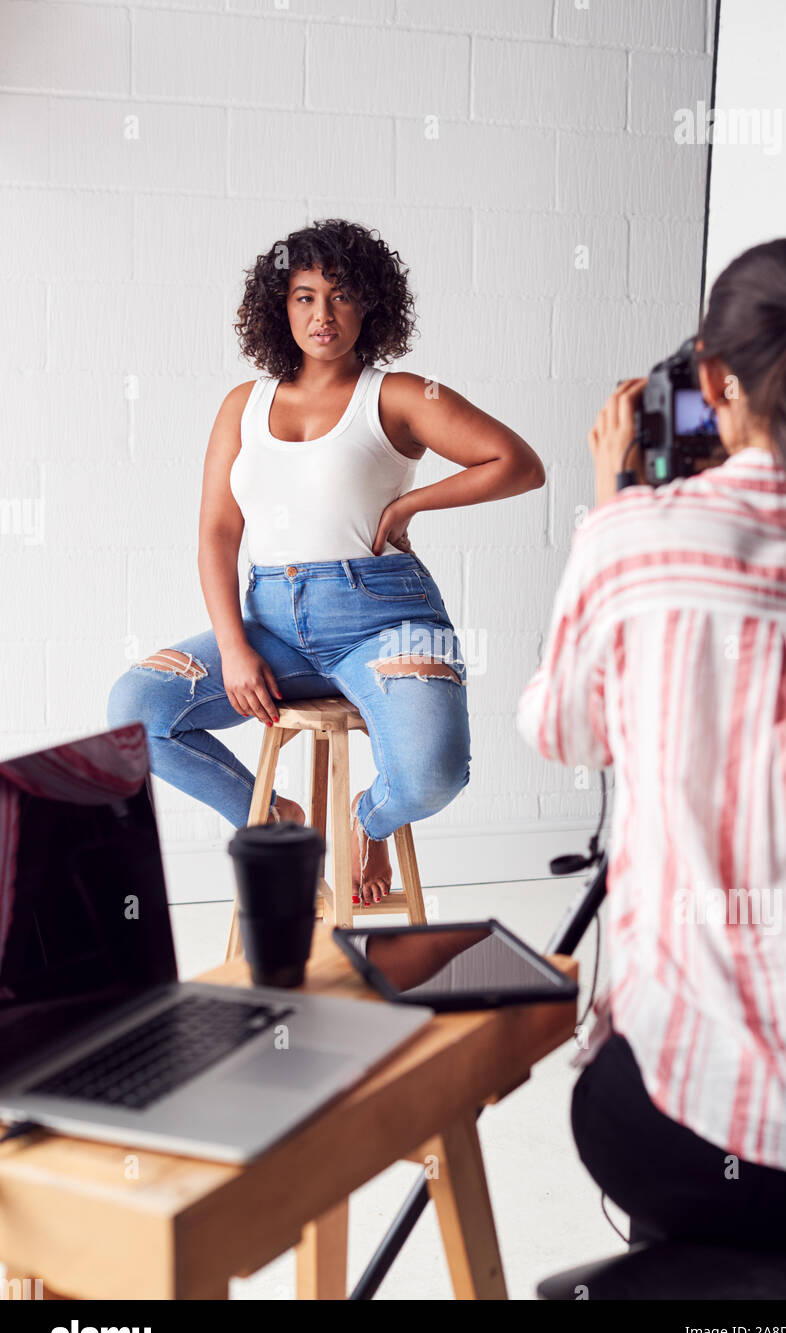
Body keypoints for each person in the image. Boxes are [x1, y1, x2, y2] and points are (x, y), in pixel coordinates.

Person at [517, 237, 786, 1250]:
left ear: (713, 381)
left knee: (630, 1101)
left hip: (686, 1128)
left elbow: (560, 727)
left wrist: (610, 506)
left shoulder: (634, 536)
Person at [108, 219, 544, 906]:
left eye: (340, 297)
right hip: (272, 626)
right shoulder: (241, 407)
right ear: (279, 308)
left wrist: (408, 507)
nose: (322, 315)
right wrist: (231, 645)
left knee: (435, 774)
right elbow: (218, 534)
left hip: (386, 618)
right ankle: (280, 819)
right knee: (136, 710)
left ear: (369, 305)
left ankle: (370, 819)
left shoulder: (396, 395)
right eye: (305, 296)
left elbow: (519, 464)